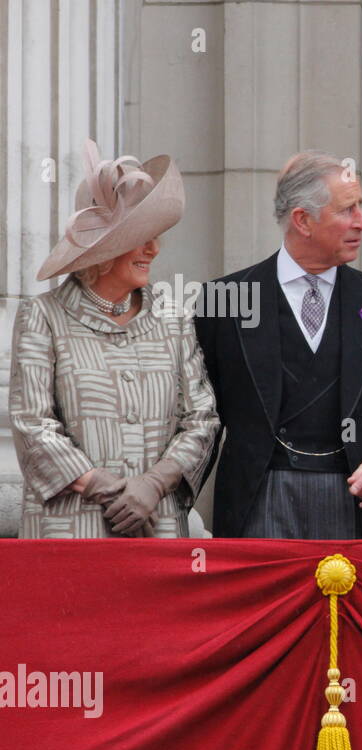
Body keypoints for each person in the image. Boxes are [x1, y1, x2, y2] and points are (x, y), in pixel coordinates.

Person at [194, 150, 362, 538]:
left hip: (353, 507)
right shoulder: (225, 299)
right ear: (303, 220)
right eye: (348, 210)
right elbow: (198, 421)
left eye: (361, 207)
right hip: (255, 506)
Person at [9, 139, 219, 538]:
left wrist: (153, 485)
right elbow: (32, 423)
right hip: (71, 532)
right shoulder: (44, 316)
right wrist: (106, 487)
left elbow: (201, 419)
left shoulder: (173, 318)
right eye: (141, 237)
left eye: (155, 235)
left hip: (158, 529)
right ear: (104, 250)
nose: (154, 249)